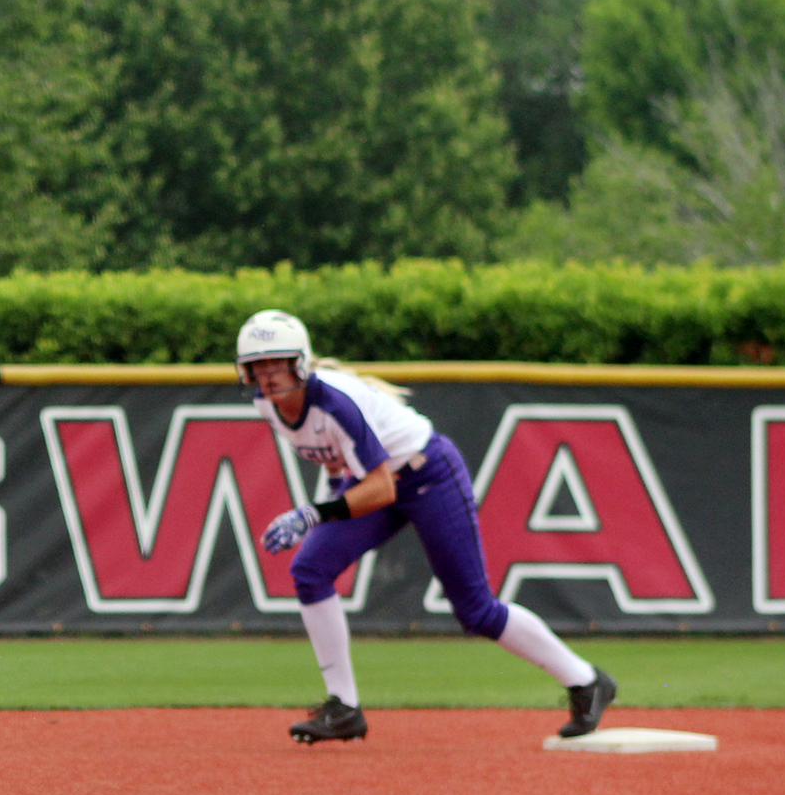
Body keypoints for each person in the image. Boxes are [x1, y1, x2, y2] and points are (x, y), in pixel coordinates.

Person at [239, 309, 617, 744]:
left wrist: (312, 515)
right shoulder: (266, 405)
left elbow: (380, 486)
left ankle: (587, 681)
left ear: (300, 362)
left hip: (427, 475)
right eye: (258, 365)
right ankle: (343, 707)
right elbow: (338, 462)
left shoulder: (334, 402)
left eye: (277, 362)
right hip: (375, 480)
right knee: (310, 569)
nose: (267, 375)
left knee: (475, 609)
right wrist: (322, 509)